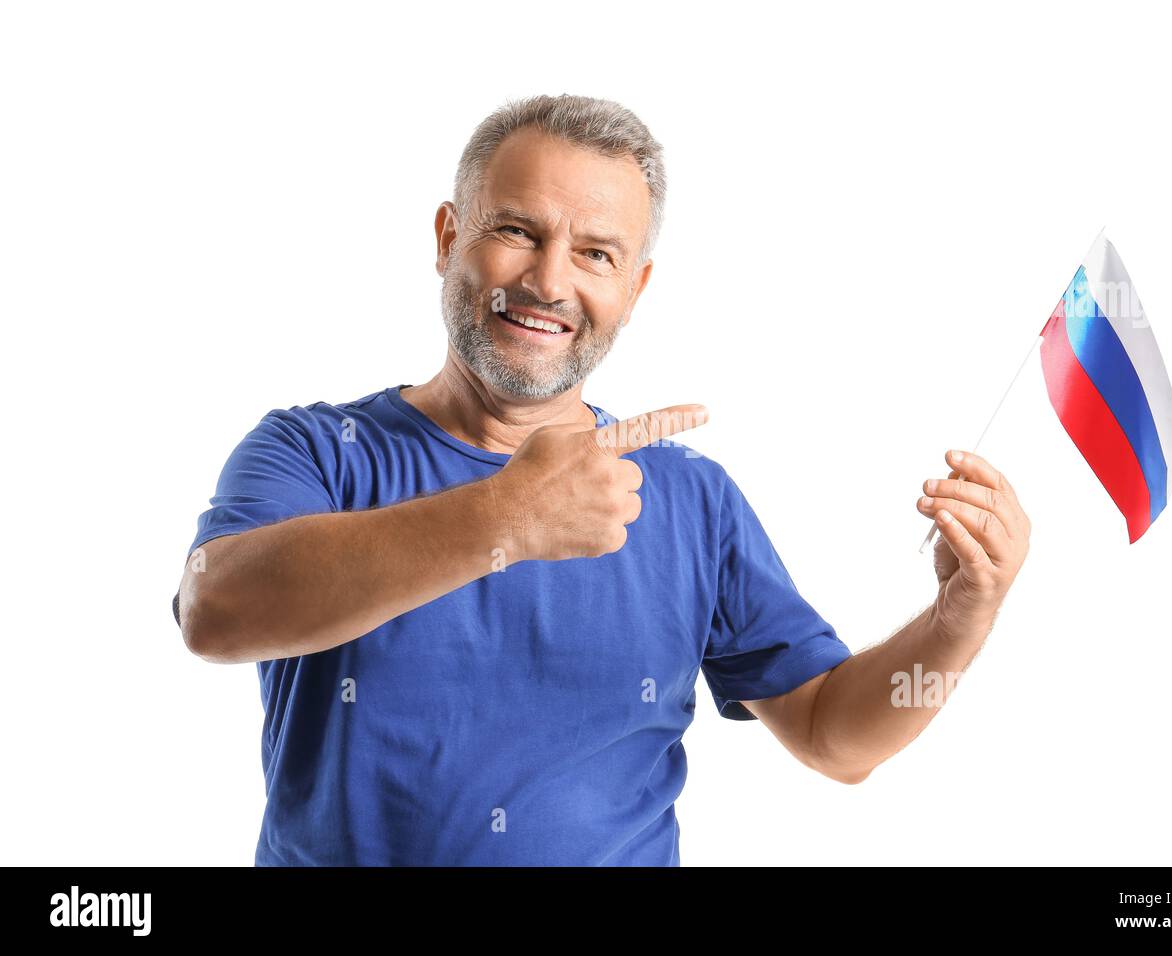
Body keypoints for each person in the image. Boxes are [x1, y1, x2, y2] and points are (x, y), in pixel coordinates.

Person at [175, 93, 1031, 866]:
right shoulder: (317, 451)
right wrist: (504, 517)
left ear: (635, 286)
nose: (550, 282)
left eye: (595, 253)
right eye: (517, 231)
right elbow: (215, 612)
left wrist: (960, 619)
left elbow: (831, 736)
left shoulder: (691, 498)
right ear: (447, 238)